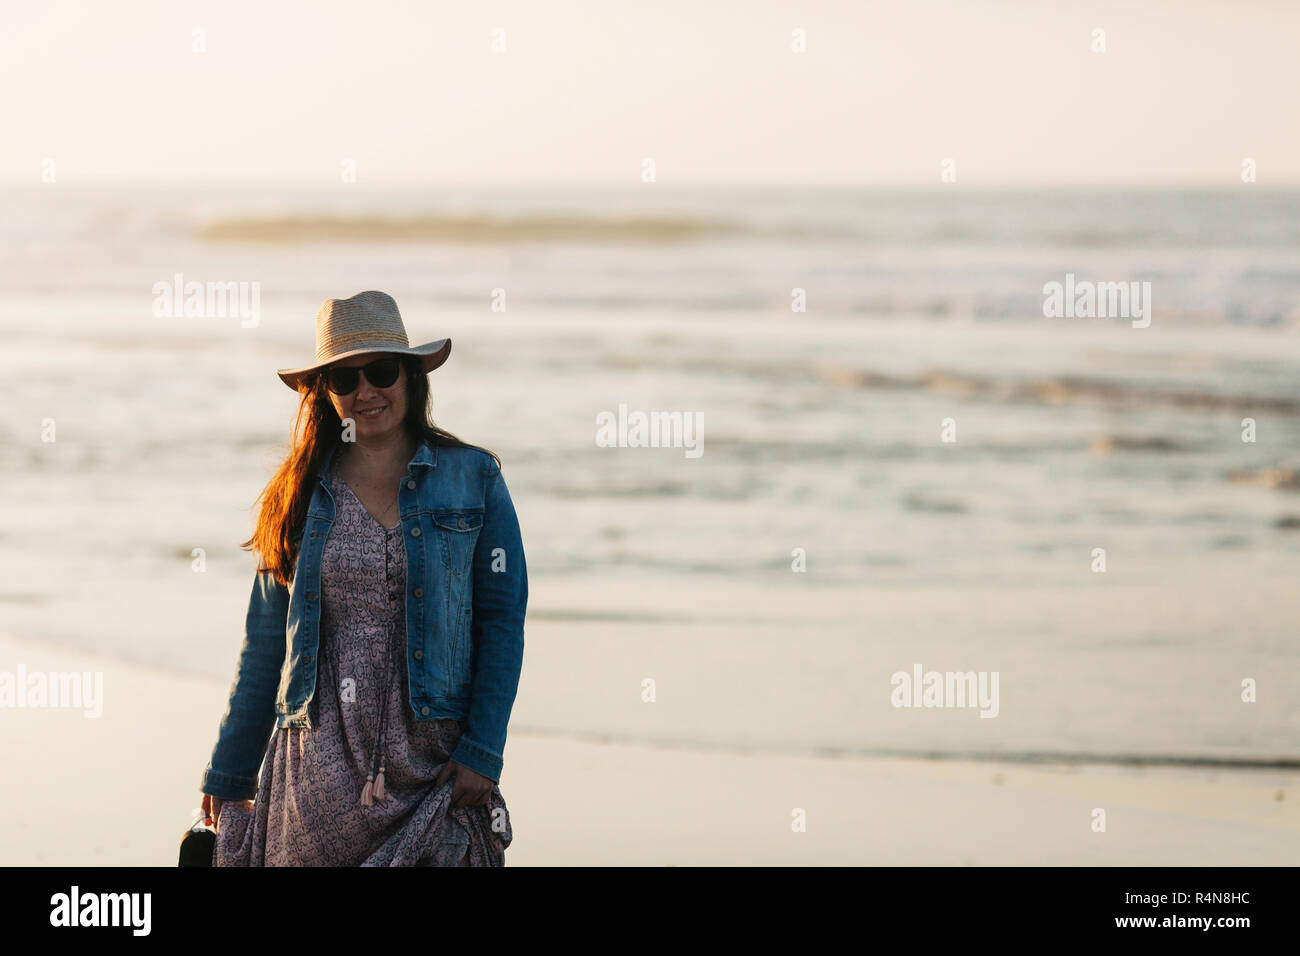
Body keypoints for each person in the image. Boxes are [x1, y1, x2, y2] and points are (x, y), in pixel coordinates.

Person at [199, 290, 527, 866]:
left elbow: (502, 621)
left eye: (380, 370)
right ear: (325, 394)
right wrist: (229, 769)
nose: (366, 392)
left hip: (437, 759)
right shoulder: (296, 496)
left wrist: (483, 749)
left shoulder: (473, 478)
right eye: (345, 380)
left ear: (410, 376)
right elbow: (263, 646)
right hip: (318, 762)